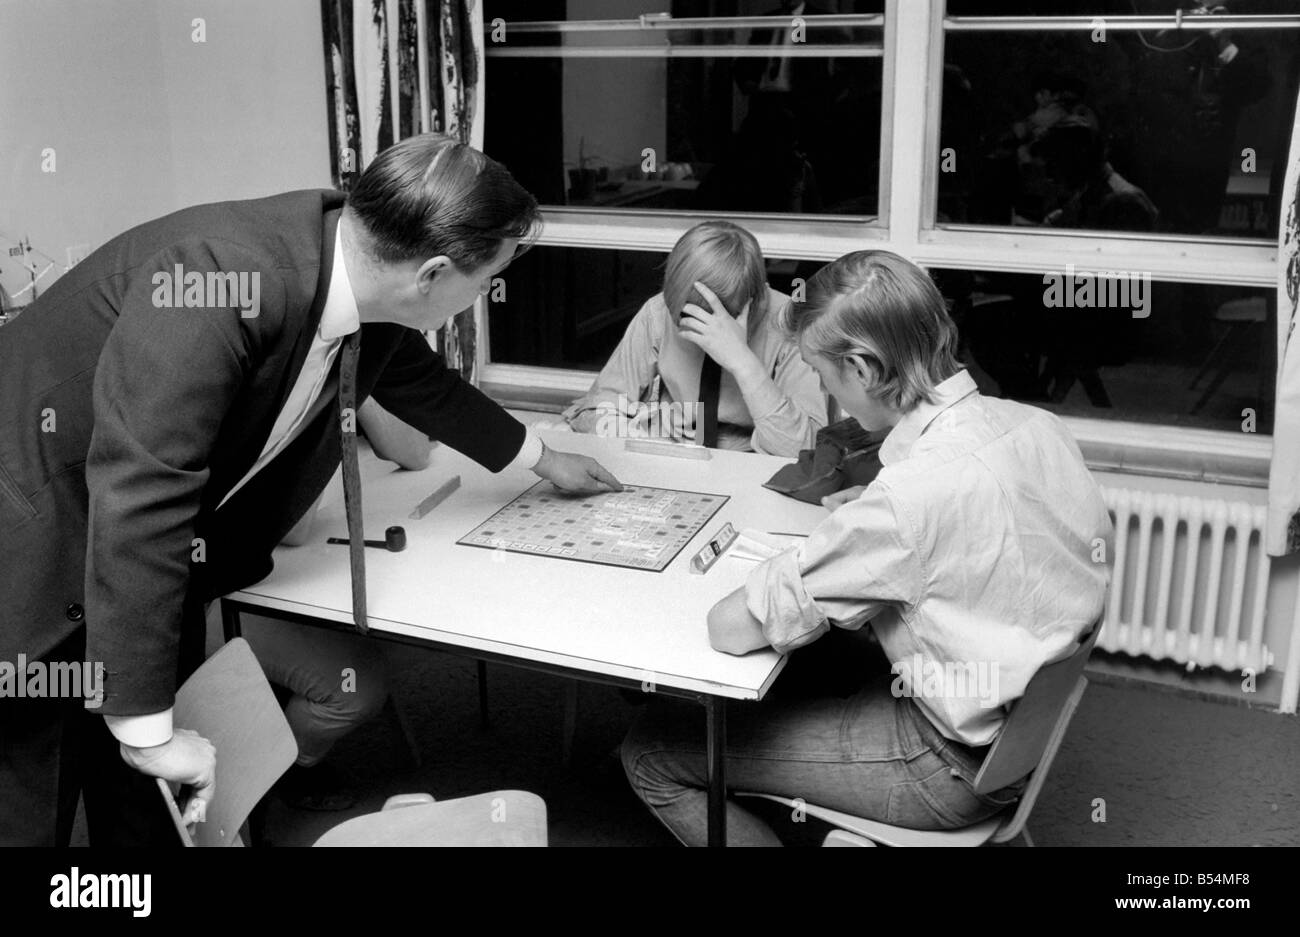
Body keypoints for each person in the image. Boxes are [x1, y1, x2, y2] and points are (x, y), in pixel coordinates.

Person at [0, 132, 621, 846]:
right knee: (37, 789)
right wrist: (142, 728)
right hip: (35, 540)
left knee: (147, 801)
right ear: (434, 273)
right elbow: (144, 490)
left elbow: (424, 385)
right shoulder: (217, 276)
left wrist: (543, 457)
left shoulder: (357, 269)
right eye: (486, 280)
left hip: (143, 563)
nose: (482, 295)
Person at [621, 250, 1112, 846]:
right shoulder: (1036, 425)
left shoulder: (907, 500)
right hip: (1022, 725)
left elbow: (730, 628)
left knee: (651, 750)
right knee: (808, 660)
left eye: (824, 377)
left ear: (861, 367)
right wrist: (868, 527)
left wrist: (831, 546)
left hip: (947, 764)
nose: (831, 396)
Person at [563, 221, 825, 457]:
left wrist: (743, 362)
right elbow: (595, 410)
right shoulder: (658, 312)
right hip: (673, 449)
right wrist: (641, 436)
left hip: (754, 459)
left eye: (710, 319)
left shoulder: (790, 326)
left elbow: (804, 451)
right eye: (685, 317)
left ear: (751, 302)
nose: (700, 333)